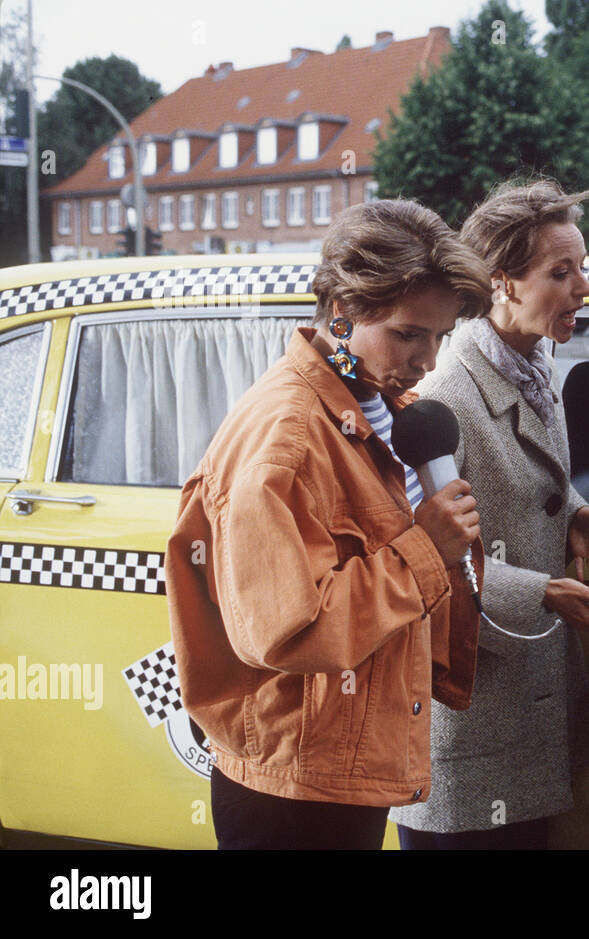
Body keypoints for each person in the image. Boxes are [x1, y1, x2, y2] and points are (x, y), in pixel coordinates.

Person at [165, 199, 492, 850]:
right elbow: (289, 630)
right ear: (342, 310)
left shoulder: (380, 404)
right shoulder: (285, 436)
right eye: (408, 334)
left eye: (440, 336)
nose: (428, 359)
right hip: (292, 783)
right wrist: (424, 550)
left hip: (342, 763)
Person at [389, 178, 589, 850]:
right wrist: (542, 592)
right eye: (561, 273)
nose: (584, 288)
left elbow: (525, 480)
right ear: (502, 283)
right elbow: (416, 565)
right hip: (471, 721)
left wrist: (572, 509)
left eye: (583, 268)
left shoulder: (529, 364)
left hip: (519, 715)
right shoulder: (445, 395)